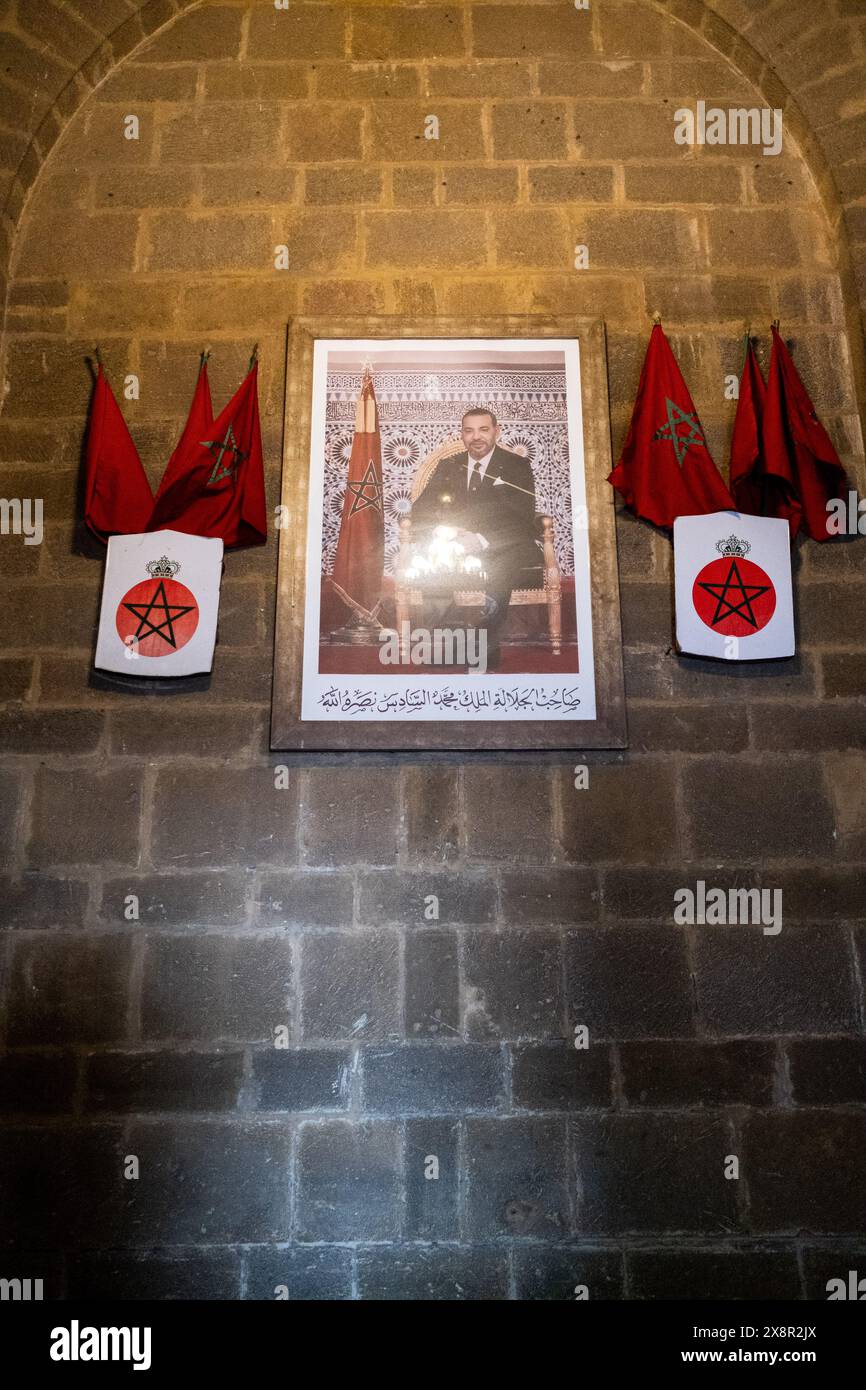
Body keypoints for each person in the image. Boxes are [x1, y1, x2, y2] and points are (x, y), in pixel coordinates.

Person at [408, 407, 543, 669]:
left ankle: (485, 648)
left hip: (503, 545)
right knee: (434, 556)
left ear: (496, 431)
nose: (476, 437)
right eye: (469, 431)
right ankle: (447, 646)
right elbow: (421, 509)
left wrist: (480, 539)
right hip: (455, 544)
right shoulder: (449, 465)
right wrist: (443, 531)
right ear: (462, 435)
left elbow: (523, 517)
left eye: (483, 429)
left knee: (502, 559)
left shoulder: (516, 465)